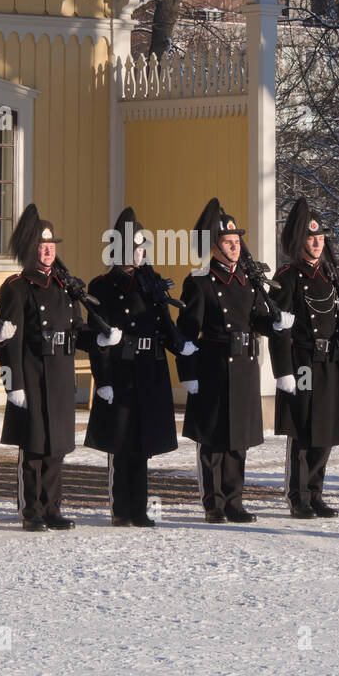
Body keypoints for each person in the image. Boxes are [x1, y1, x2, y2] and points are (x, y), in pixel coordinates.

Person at [176, 198, 289, 524]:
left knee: (238, 438)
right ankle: (214, 504)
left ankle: (235, 500)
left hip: (243, 366)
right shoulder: (200, 281)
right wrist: (188, 373)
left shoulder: (248, 280)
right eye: (228, 242)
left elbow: (257, 319)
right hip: (212, 367)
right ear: (215, 246)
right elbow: (186, 332)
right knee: (213, 440)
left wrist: (276, 324)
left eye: (237, 242)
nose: (235, 247)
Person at [84, 208, 195, 527]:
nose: (140, 252)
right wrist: (102, 378)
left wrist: (182, 348)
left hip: (149, 370)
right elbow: (97, 334)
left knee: (143, 443)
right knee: (122, 444)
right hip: (120, 369)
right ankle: (122, 508)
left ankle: (140, 508)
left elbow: (165, 325)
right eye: (134, 247)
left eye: (142, 246)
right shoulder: (102, 285)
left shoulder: (152, 283)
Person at [0, 204, 100, 531]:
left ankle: (52, 507)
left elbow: (77, 331)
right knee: (33, 449)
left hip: (59, 375)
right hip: (31, 375)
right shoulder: (16, 287)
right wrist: (13, 385)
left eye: (51, 246)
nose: (47, 251)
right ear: (30, 249)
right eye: (42, 247)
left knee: (56, 449)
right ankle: (31, 511)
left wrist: (101, 338)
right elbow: (9, 341)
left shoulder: (65, 286)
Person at [270, 199, 339, 518]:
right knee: (303, 428)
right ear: (299, 241)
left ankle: (316, 492)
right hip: (302, 361)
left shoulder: (332, 275)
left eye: (320, 237)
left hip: (329, 361)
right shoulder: (288, 276)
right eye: (310, 237)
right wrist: (283, 370)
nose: (317, 242)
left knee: (326, 429)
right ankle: (297, 495)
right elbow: (279, 327)